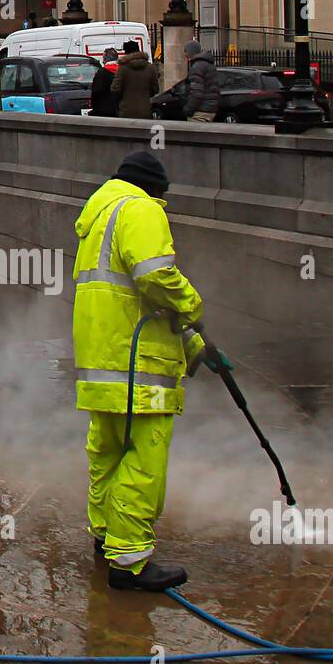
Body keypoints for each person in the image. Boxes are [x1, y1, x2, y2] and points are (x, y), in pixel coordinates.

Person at [73, 150, 210, 592]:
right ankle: (129, 559)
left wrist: (192, 342)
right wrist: (193, 306)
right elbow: (155, 278)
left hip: (102, 363)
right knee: (143, 459)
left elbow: (131, 296)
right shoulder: (142, 209)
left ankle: (106, 536)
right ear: (156, 190)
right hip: (138, 366)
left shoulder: (99, 217)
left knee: (107, 453)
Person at [110, 40, 158, 119]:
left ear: (126, 52)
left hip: (126, 110)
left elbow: (115, 89)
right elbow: (155, 89)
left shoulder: (122, 68)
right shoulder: (150, 68)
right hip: (145, 110)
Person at [182, 40, 220, 122]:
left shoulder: (197, 67)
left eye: (185, 51)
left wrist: (188, 109)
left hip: (200, 111)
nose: (184, 54)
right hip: (211, 109)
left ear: (190, 52)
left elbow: (197, 93)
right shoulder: (210, 65)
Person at [89, 47, 120, 117]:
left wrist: (93, 106)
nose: (103, 61)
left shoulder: (102, 72)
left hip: (104, 110)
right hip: (119, 109)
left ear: (105, 59)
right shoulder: (122, 71)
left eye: (103, 58)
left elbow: (96, 91)